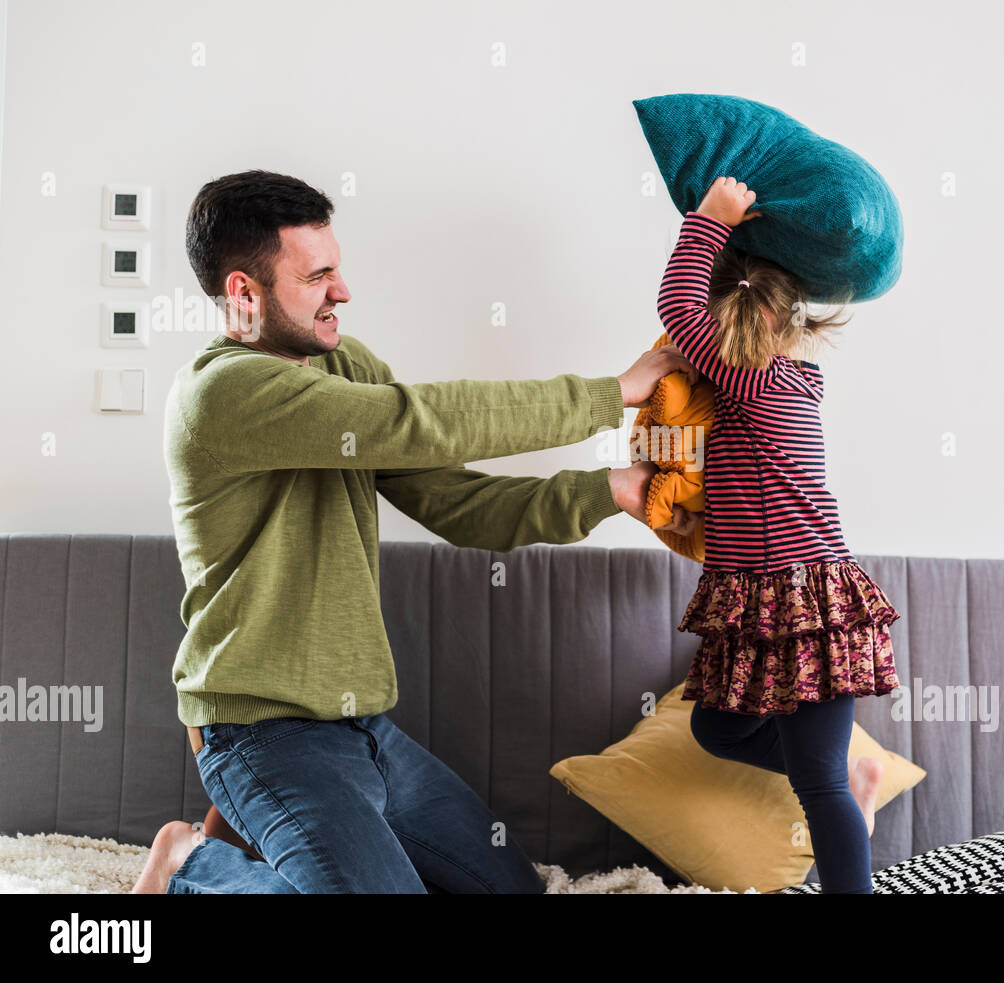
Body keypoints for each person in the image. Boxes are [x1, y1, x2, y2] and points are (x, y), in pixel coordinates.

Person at [131, 169, 699, 893]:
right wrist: (609, 394)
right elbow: (417, 419)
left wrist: (608, 490)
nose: (342, 290)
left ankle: (255, 843)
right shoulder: (222, 393)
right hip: (261, 734)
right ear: (245, 294)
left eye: (337, 267)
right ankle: (191, 862)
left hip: (365, 728)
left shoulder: (346, 364)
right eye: (318, 276)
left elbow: (453, 498)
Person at [658, 176, 902, 894]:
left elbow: (674, 303)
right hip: (763, 597)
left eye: (711, 318)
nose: (693, 335)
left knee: (819, 787)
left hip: (804, 602)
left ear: (751, 320)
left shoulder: (756, 379)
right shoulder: (776, 384)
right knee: (717, 729)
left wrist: (710, 219)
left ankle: (844, 795)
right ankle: (843, 774)